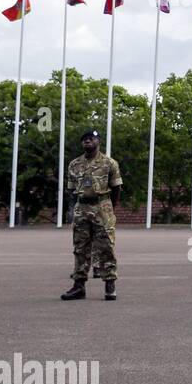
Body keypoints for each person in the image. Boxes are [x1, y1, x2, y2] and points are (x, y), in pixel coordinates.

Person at [61, 129, 121, 301]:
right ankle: (79, 286)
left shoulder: (109, 163)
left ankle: (110, 284)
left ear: (98, 141)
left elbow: (116, 187)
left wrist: (110, 207)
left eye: (91, 139)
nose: (87, 141)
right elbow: (71, 189)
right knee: (80, 248)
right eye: (85, 139)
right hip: (82, 208)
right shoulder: (74, 164)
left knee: (106, 247)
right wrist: (74, 210)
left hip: (102, 206)